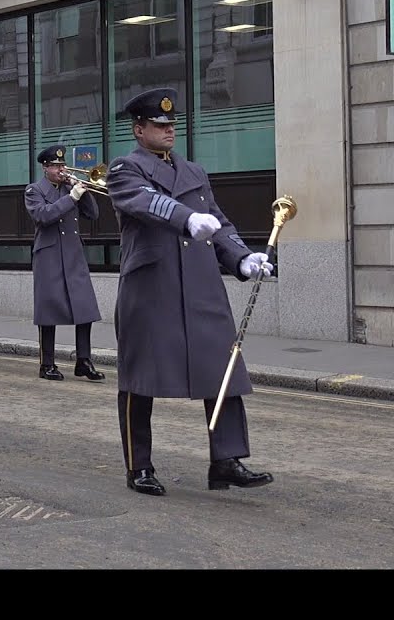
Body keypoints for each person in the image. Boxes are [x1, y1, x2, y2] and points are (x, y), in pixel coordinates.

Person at [108, 87, 275, 496]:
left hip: (201, 286)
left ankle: (226, 460)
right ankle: (139, 466)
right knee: (139, 379)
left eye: (172, 124)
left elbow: (218, 221)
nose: (169, 130)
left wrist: (241, 257)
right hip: (152, 288)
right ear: (139, 129)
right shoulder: (125, 169)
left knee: (223, 369)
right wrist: (186, 218)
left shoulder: (194, 172)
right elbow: (146, 202)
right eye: (159, 125)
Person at [24, 144, 106, 383]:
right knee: (48, 312)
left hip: (73, 254)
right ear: (45, 168)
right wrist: (72, 197)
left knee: (85, 308)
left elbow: (93, 214)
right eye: (56, 166)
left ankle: (84, 361)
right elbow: (44, 216)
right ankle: (47, 363)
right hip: (49, 256)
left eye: (62, 165)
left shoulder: (70, 187)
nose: (61, 170)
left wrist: (84, 190)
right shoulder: (33, 190)